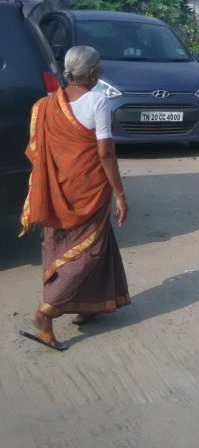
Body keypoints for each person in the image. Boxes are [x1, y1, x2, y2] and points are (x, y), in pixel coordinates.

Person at [20, 45, 130, 351]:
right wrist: (120, 194)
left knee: (58, 244)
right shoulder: (98, 101)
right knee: (89, 251)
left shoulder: (45, 104)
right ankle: (47, 311)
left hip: (57, 188)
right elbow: (105, 152)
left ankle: (86, 306)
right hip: (89, 189)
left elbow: (36, 152)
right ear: (93, 72)